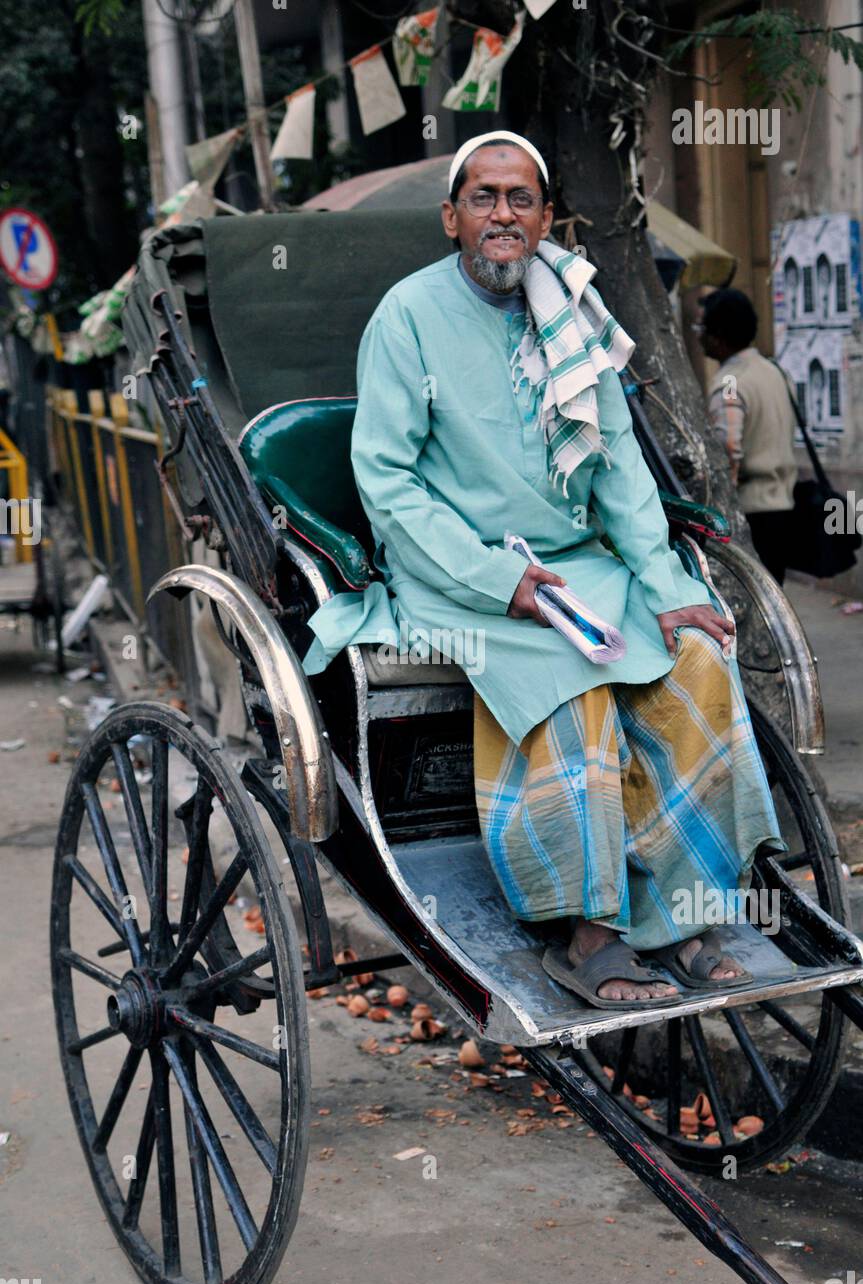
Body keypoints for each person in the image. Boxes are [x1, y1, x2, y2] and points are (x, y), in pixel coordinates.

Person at [303, 131, 784, 1008]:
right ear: (452, 218)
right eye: (482, 198)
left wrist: (669, 592)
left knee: (698, 666)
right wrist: (499, 582)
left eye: (519, 199)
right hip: (460, 579)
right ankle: (588, 934)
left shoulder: (568, 307)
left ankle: (684, 911)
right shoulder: (407, 316)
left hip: (574, 571)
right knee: (578, 688)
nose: (501, 214)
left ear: (544, 217)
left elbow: (618, 469)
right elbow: (387, 481)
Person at [701, 288, 799, 587]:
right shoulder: (775, 371)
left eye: (701, 328)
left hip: (752, 511)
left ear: (718, 336)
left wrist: (721, 495)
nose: (698, 336)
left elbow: (729, 445)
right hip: (783, 503)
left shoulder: (731, 382)